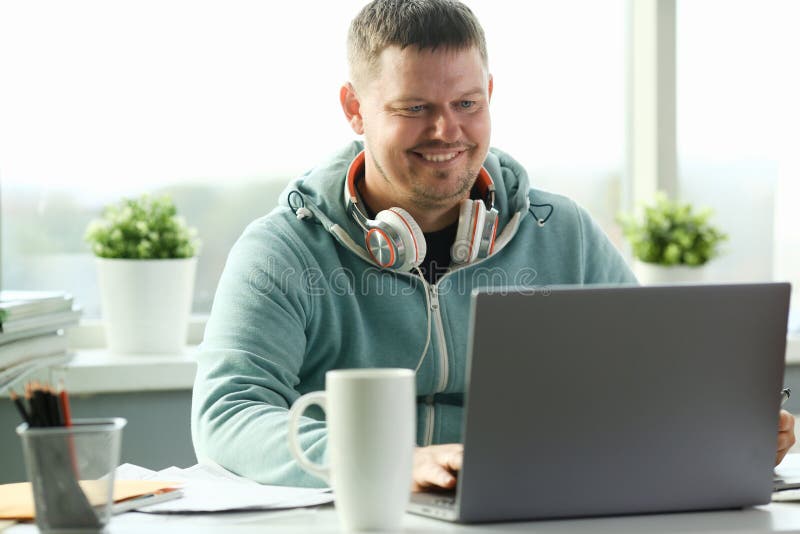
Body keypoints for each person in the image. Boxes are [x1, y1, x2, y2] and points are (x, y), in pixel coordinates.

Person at [191, 0, 795, 490]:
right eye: (415, 108)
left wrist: (717, 429)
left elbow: (649, 383)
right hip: (361, 512)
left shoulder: (565, 235)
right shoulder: (282, 251)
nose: (446, 131)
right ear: (355, 108)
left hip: (532, 510)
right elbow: (229, 414)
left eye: (467, 104)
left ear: (489, 94)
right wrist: (386, 460)